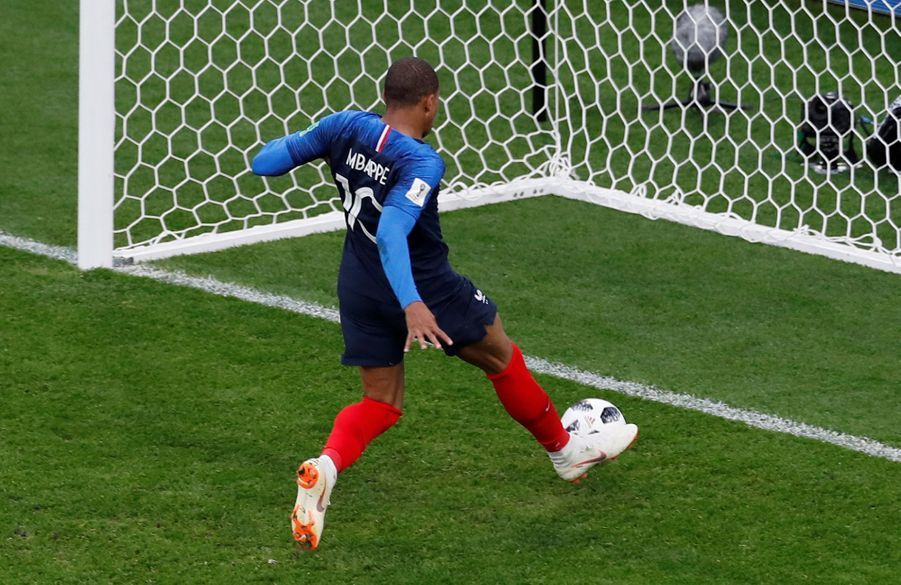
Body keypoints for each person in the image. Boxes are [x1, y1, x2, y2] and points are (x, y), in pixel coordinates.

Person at [252, 57, 638, 550]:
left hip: (360, 286)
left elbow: (265, 163)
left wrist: (313, 141)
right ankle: (566, 453)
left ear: (385, 95)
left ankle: (325, 468)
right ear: (430, 102)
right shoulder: (421, 161)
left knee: (380, 402)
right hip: (427, 286)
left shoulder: (344, 124)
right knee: (501, 355)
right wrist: (413, 303)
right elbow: (392, 231)